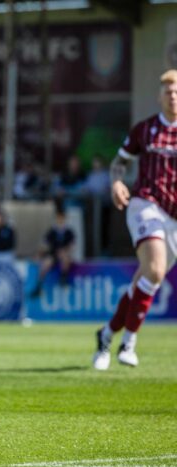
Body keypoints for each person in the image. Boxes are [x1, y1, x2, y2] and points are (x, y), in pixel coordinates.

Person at [93, 69, 177, 370]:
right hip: (146, 204)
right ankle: (128, 342)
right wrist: (116, 182)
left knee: (143, 282)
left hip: (174, 217)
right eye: (167, 90)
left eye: (176, 90)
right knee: (154, 270)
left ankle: (105, 335)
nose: (172, 95)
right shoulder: (145, 129)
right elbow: (119, 163)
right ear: (159, 95)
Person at [30, 210, 75, 297]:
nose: (60, 221)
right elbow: (44, 245)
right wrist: (38, 254)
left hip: (64, 254)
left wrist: (65, 251)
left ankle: (63, 279)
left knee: (65, 257)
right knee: (45, 264)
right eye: (58, 219)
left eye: (62, 219)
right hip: (52, 254)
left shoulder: (69, 232)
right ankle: (38, 286)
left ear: (65, 219)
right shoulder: (51, 232)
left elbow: (72, 246)